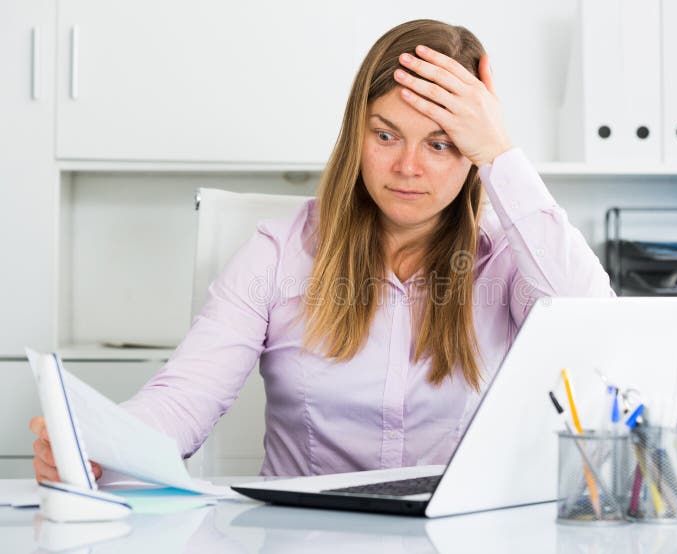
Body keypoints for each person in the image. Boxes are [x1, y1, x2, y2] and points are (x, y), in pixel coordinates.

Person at [29, 19, 613, 481]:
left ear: (472, 154)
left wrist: (502, 154)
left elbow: (596, 329)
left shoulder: (511, 259)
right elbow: (185, 396)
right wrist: (107, 444)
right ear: (354, 130)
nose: (408, 167)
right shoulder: (277, 253)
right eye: (385, 135)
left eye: (442, 144)